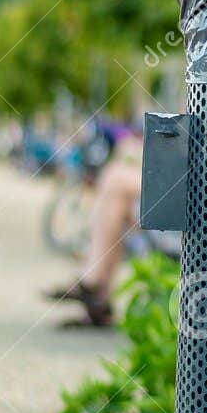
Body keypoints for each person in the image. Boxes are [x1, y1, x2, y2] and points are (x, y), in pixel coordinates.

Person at [46, 132, 143, 326]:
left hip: (201, 187)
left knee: (116, 182)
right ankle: (98, 294)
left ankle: (93, 285)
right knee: (115, 188)